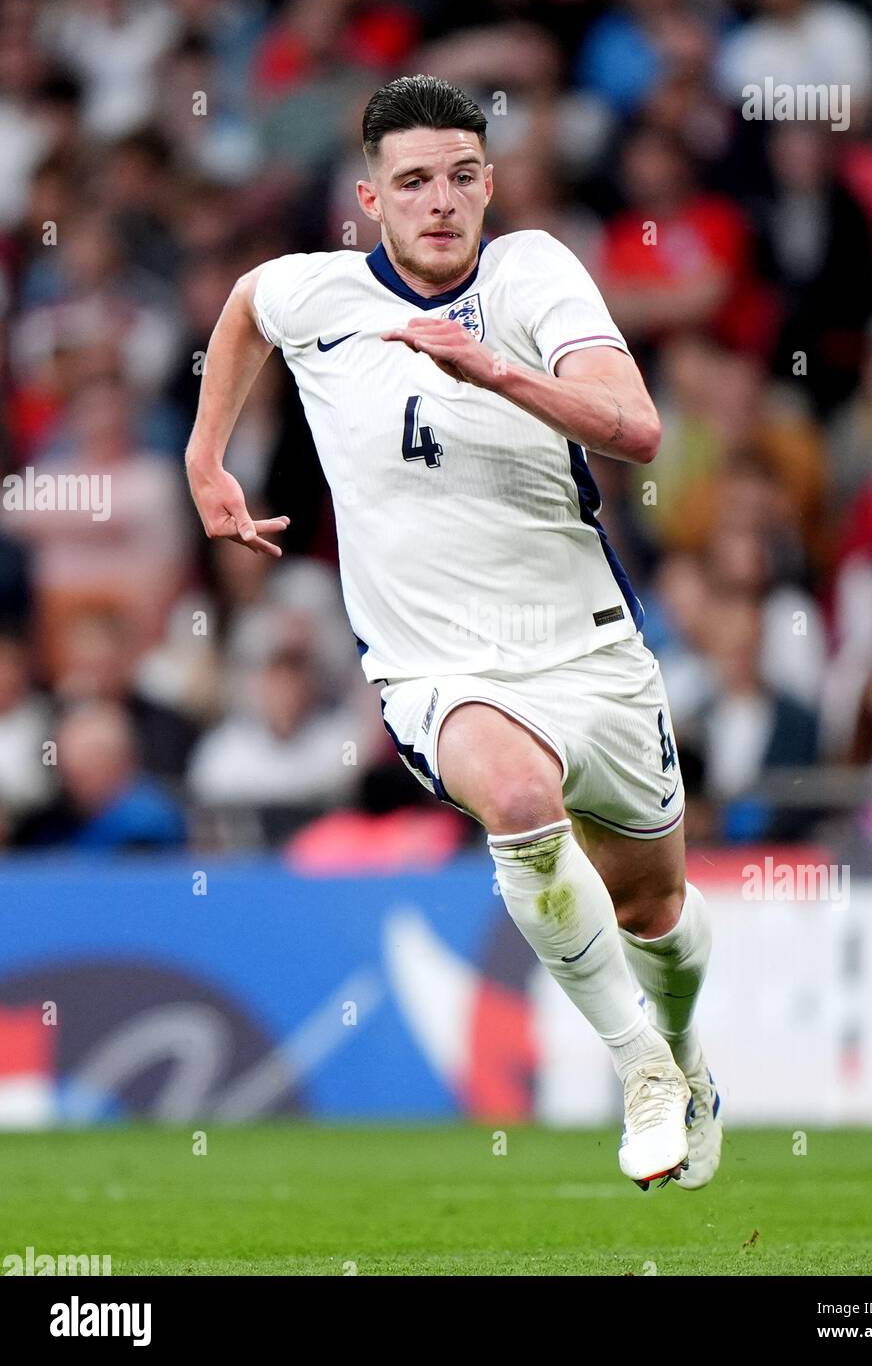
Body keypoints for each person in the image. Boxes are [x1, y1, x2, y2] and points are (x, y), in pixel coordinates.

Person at [185, 74, 720, 1192]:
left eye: (463, 177)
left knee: (654, 909)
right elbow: (245, 309)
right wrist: (205, 454)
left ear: (491, 183)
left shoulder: (535, 273)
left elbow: (638, 430)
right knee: (518, 803)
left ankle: (685, 1055)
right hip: (436, 664)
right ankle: (641, 1071)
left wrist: (499, 371)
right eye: (415, 181)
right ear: (370, 198)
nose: (442, 201)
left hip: (584, 645)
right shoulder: (319, 294)